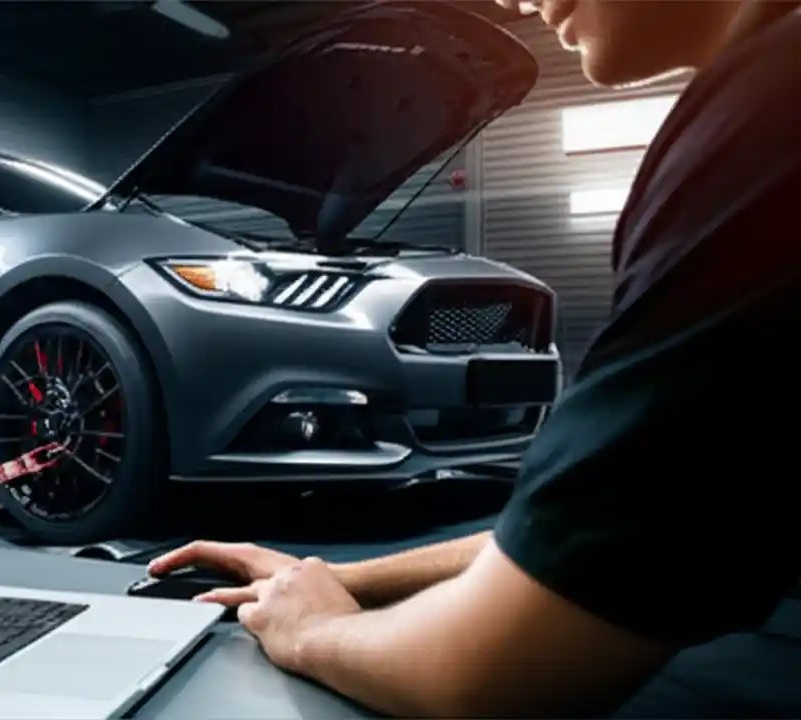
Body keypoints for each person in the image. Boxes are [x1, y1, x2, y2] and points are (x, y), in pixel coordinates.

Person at [147, 0, 801, 715]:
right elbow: (623, 533)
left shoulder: (767, 112)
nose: (514, 2)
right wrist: (340, 576)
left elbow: (490, 674)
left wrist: (313, 627)